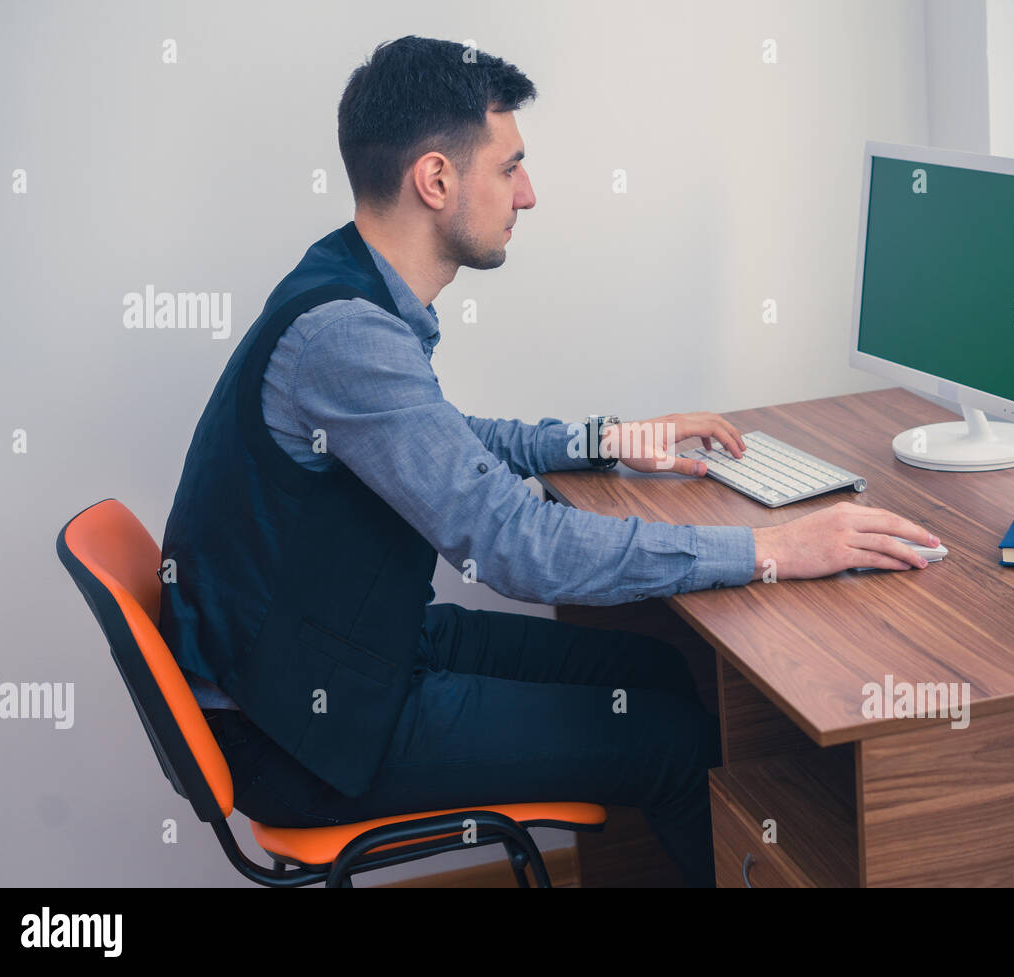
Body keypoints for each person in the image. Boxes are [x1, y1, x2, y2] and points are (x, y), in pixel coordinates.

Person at [158, 35, 939, 888]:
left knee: (661, 669)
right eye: (511, 166)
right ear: (436, 180)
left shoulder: (343, 281)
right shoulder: (347, 334)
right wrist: (774, 552)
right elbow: (513, 545)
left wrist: (613, 439)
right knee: (672, 741)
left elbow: (444, 439)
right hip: (311, 731)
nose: (528, 194)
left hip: (341, 659)